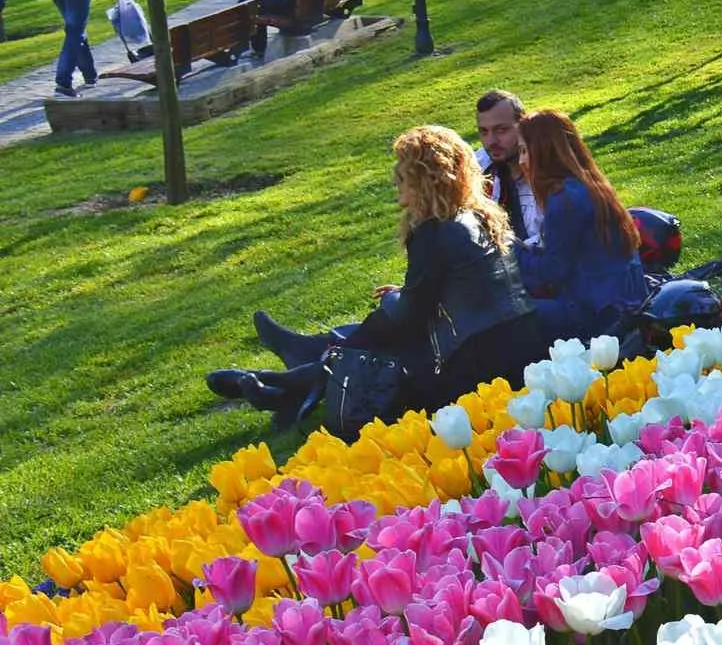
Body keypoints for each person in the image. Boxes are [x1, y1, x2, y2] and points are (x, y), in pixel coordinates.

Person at [211, 125, 543, 430]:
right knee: (382, 327)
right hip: (517, 346)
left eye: (402, 170)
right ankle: (292, 383)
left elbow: (412, 316)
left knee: (380, 340)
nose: (395, 177)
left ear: (423, 178)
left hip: (476, 368)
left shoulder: (434, 231)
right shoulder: (481, 217)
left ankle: (294, 380)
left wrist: (388, 303)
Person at [515, 108, 646, 343]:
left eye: (524, 151)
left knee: (512, 317)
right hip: (624, 300)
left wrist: (511, 250)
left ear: (543, 151)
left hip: (598, 314)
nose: (521, 161)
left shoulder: (564, 199)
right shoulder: (590, 185)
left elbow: (553, 272)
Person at [475, 89, 538, 243]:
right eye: (484, 132)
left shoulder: (550, 172)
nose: (491, 142)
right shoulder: (477, 166)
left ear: (523, 125)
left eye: (501, 130)